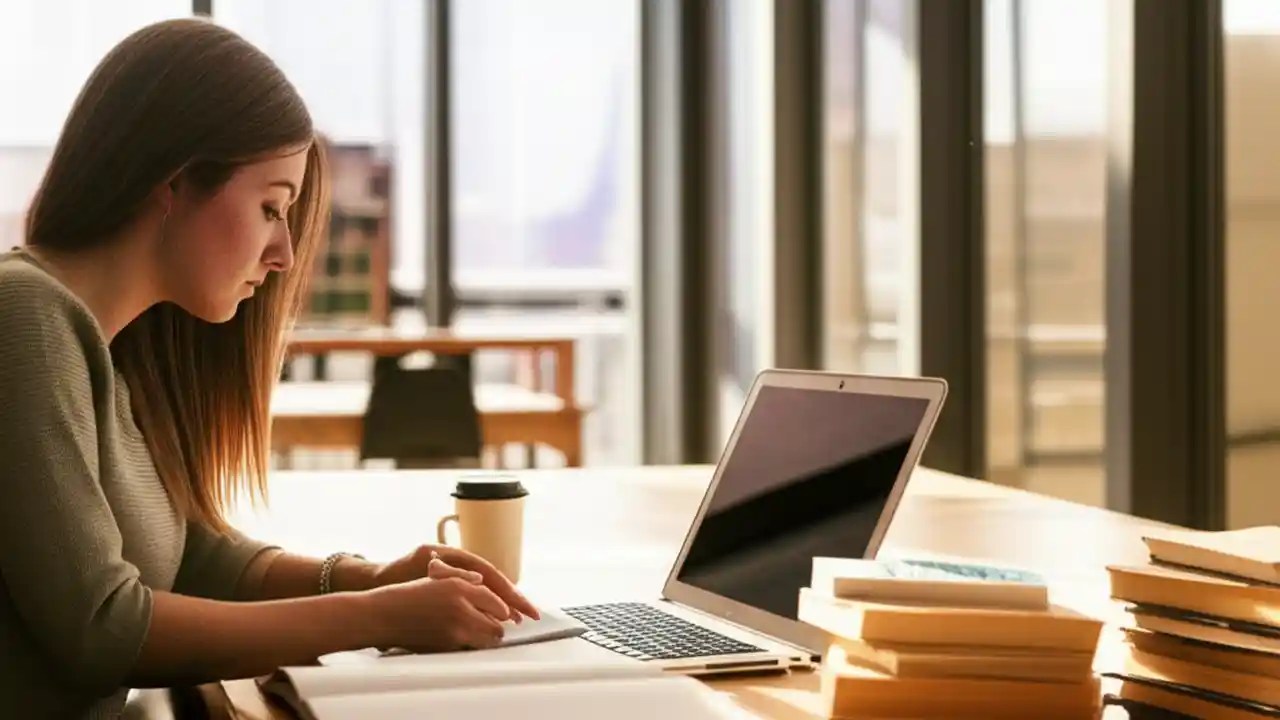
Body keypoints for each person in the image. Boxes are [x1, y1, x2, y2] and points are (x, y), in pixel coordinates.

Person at [0, 18, 538, 718]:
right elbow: (103, 628)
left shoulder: (109, 342)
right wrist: (379, 618)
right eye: (269, 207)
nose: (283, 252)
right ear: (177, 184)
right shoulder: (23, 319)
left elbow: (194, 558)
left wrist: (372, 579)